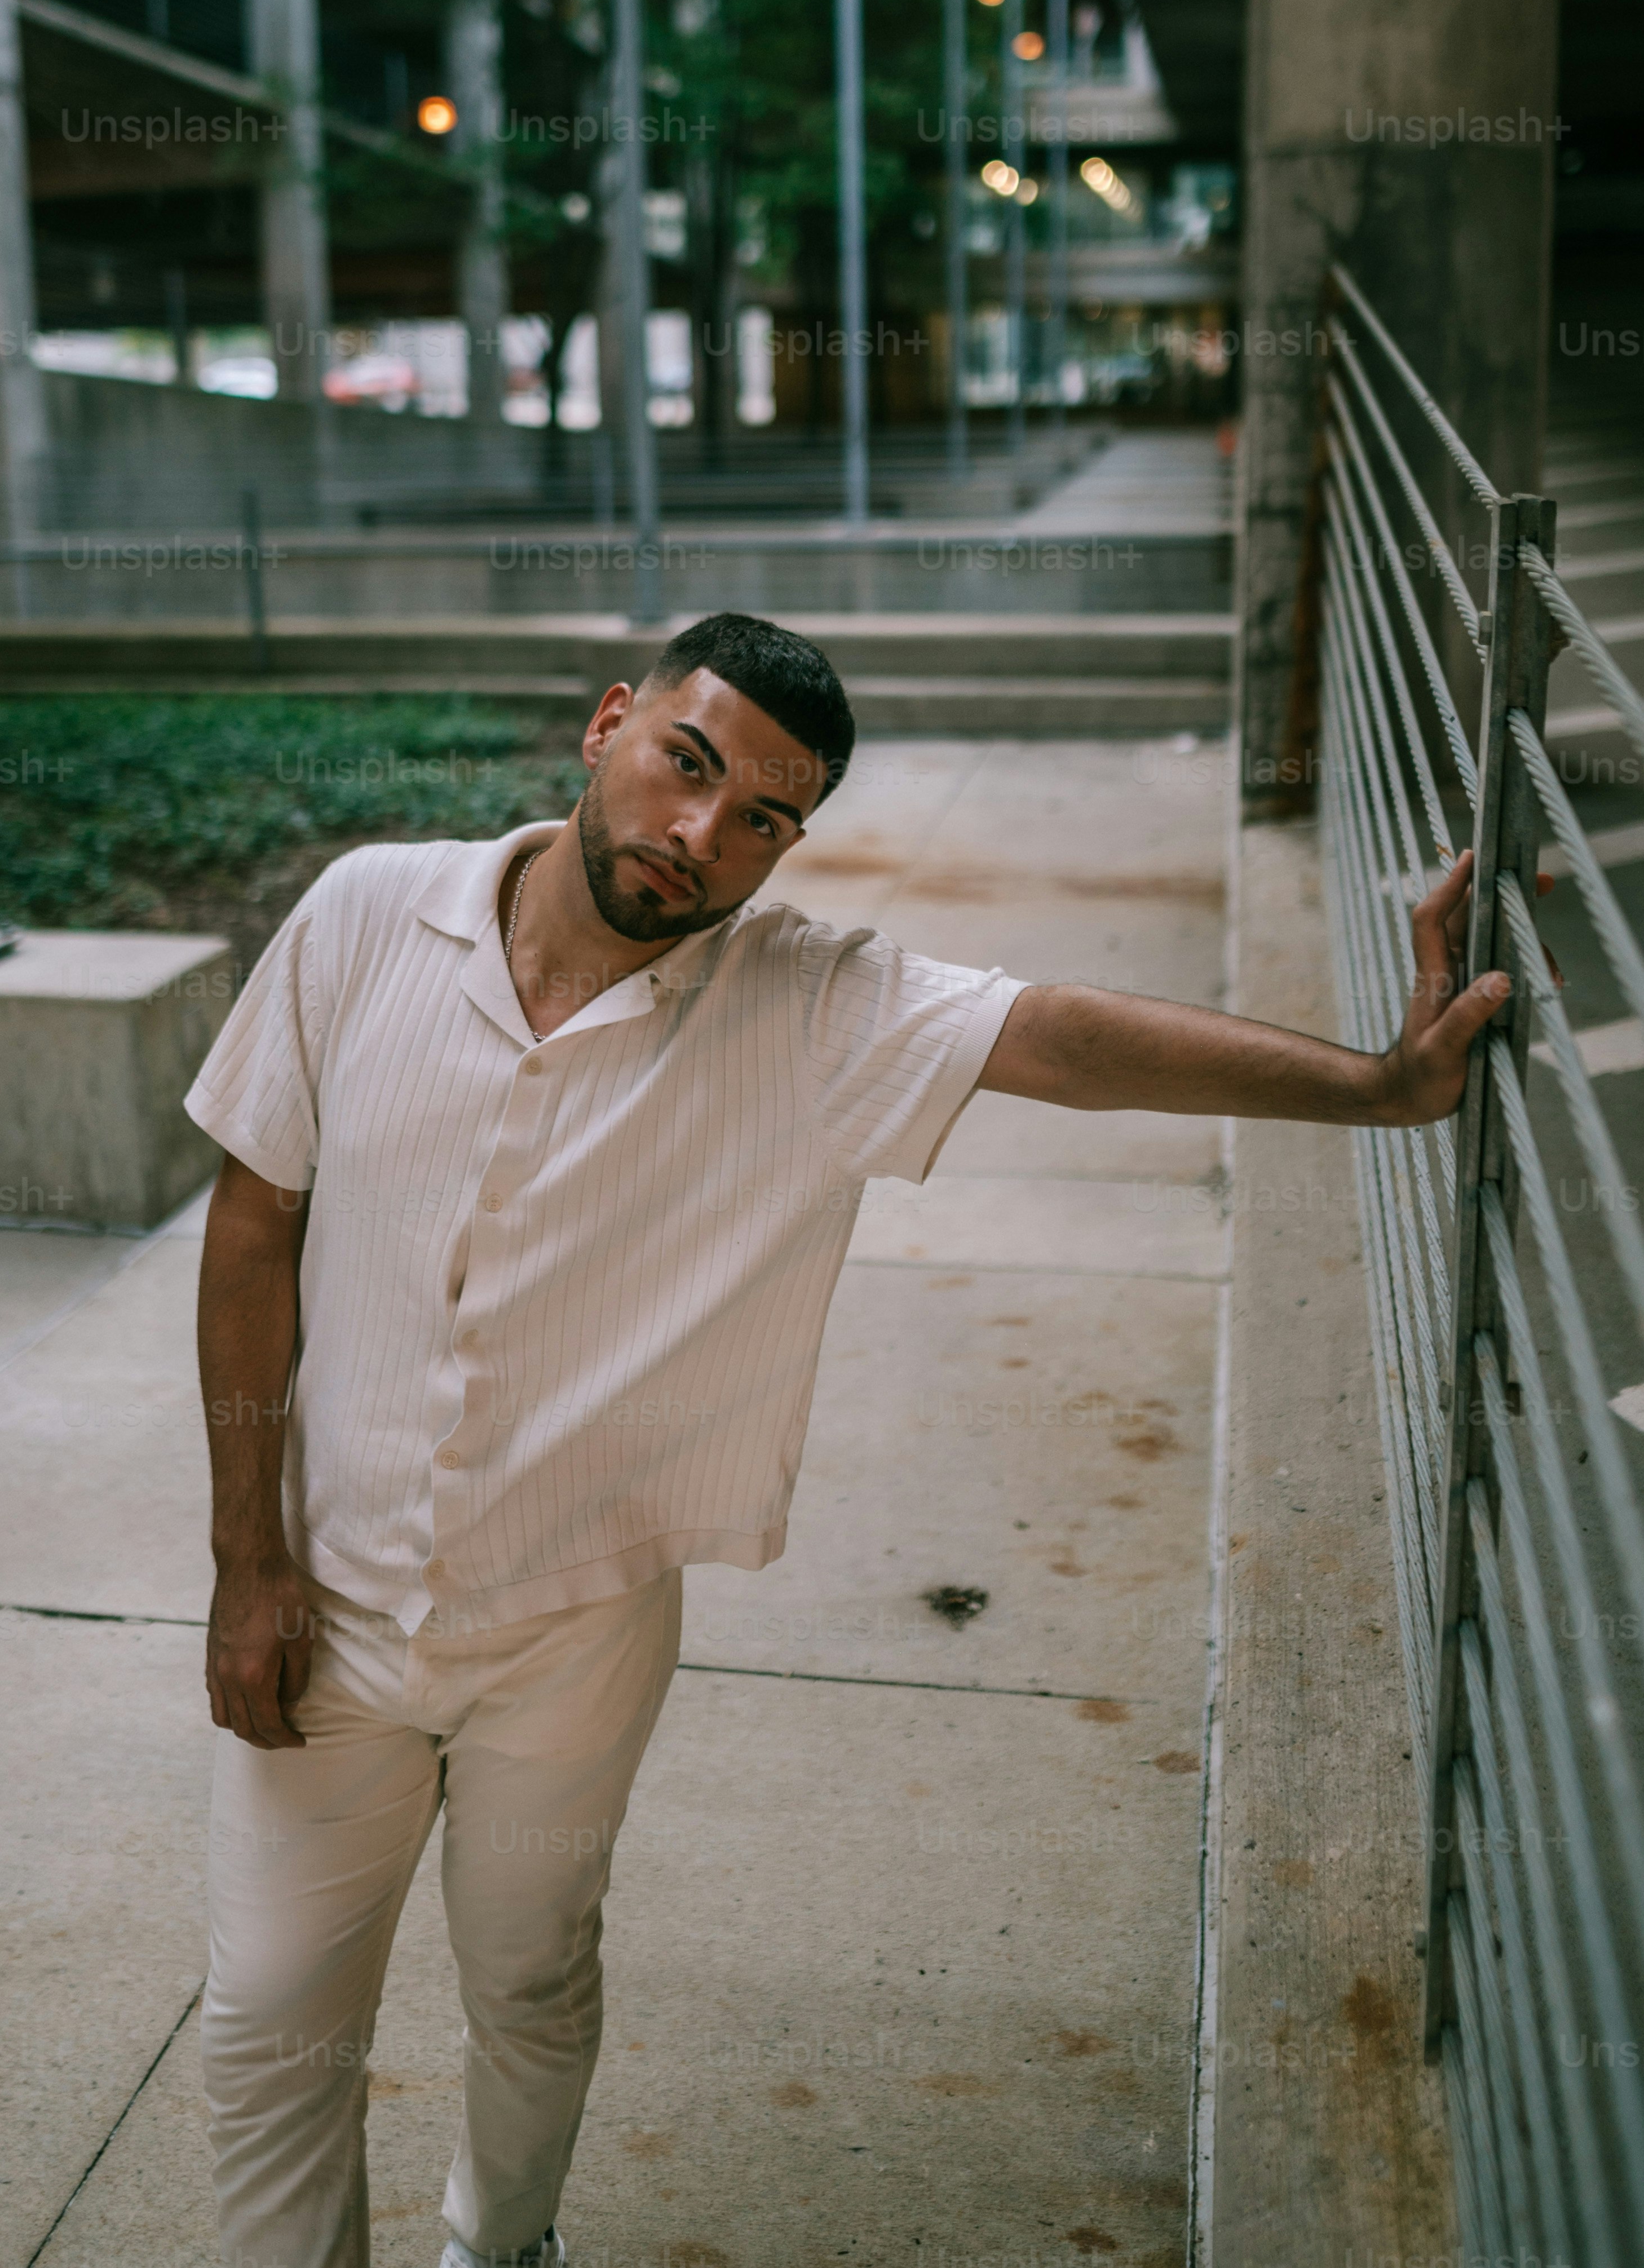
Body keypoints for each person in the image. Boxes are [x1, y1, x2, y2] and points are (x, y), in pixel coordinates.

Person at [188, 609, 1506, 2268]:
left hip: (574, 1634)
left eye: (764, 819)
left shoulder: (809, 1008)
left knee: (529, 1976)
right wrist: (247, 1556)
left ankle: (501, 2243)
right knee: (266, 2022)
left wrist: (1383, 1086)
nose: (702, 837)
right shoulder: (368, 915)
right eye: (689, 764)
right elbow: (254, 1220)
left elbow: (1066, 1038)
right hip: (327, 1607)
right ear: (609, 724)